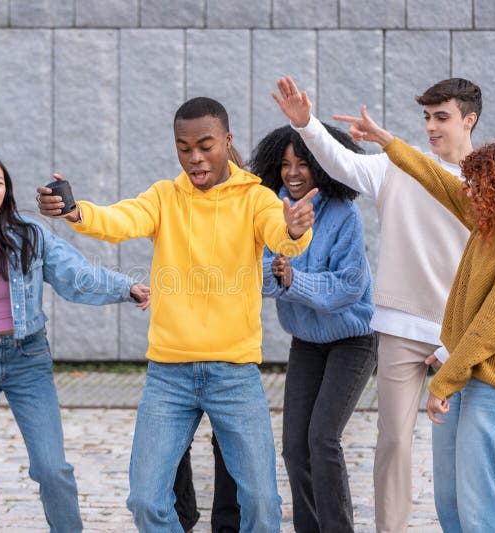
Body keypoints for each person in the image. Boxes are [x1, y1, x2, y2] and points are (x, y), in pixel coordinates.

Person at [36, 96, 317, 533]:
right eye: (184, 148)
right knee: (146, 501)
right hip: (169, 375)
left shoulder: (256, 198)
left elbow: (282, 233)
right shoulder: (164, 197)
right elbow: (119, 220)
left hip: (234, 372)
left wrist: (296, 229)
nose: (195, 157)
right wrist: (76, 211)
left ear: (227, 141)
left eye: (205, 145)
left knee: (262, 503)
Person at [347, 107, 495, 532]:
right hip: (466, 373)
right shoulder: (490, 222)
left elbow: (492, 326)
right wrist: (387, 142)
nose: (470, 193)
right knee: (450, 498)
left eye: (481, 187)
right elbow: (436, 181)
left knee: (483, 499)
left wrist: (443, 381)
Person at [272, 76, 479, 532]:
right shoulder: (394, 169)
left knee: (466, 454)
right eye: (426, 117)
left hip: (463, 334)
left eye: (441, 117)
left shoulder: (485, 185)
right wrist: (307, 126)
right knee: (393, 444)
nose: (431, 127)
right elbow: (342, 161)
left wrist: (460, 344)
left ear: (470, 120)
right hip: (401, 328)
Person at [0, 153, 149, 533]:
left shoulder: (28, 234)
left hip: (28, 359)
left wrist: (125, 287)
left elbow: (76, 274)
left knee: (52, 468)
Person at [252, 123, 377, 531]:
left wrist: (293, 280)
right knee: (293, 448)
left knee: (322, 439)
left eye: (303, 163)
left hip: (352, 340)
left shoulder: (344, 216)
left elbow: (348, 287)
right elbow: (264, 279)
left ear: (322, 165)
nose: (292, 173)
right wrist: (280, 276)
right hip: (305, 340)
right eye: (285, 164)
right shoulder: (274, 212)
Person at [173, 143, 245, 533]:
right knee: (172, 443)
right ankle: (183, 514)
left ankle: (227, 524)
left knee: (228, 445)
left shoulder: (249, 205)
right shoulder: (177, 205)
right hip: (180, 353)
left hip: (230, 356)